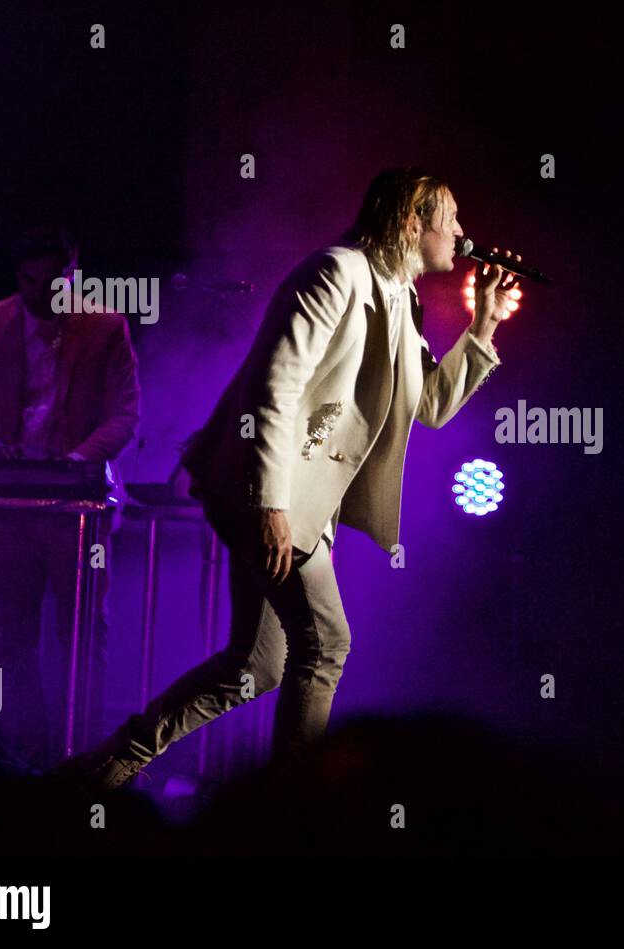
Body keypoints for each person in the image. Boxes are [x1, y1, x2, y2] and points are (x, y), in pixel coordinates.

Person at [66, 167, 520, 790]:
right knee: (327, 645)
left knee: (254, 666)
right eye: (452, 219)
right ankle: (294, 812)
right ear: (413, 223)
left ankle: (109, 765)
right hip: (261, 491)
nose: (463, 233)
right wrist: (269, 504)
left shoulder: (399, 295)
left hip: (300, 505)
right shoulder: (337, 272)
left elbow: (434, 406)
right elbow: (272, 387)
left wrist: (485, 325)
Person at [0, 224, 141, 770]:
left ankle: (85, 754)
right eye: (31, 281)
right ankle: (27, 753)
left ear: (73, 270)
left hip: (79, 510)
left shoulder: (106, 324)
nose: (42, 293)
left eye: (54, 281)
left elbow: (126, 415)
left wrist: (75, 462)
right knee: (10, 632)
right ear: (17, 275)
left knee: (82, 633)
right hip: (5, 511)